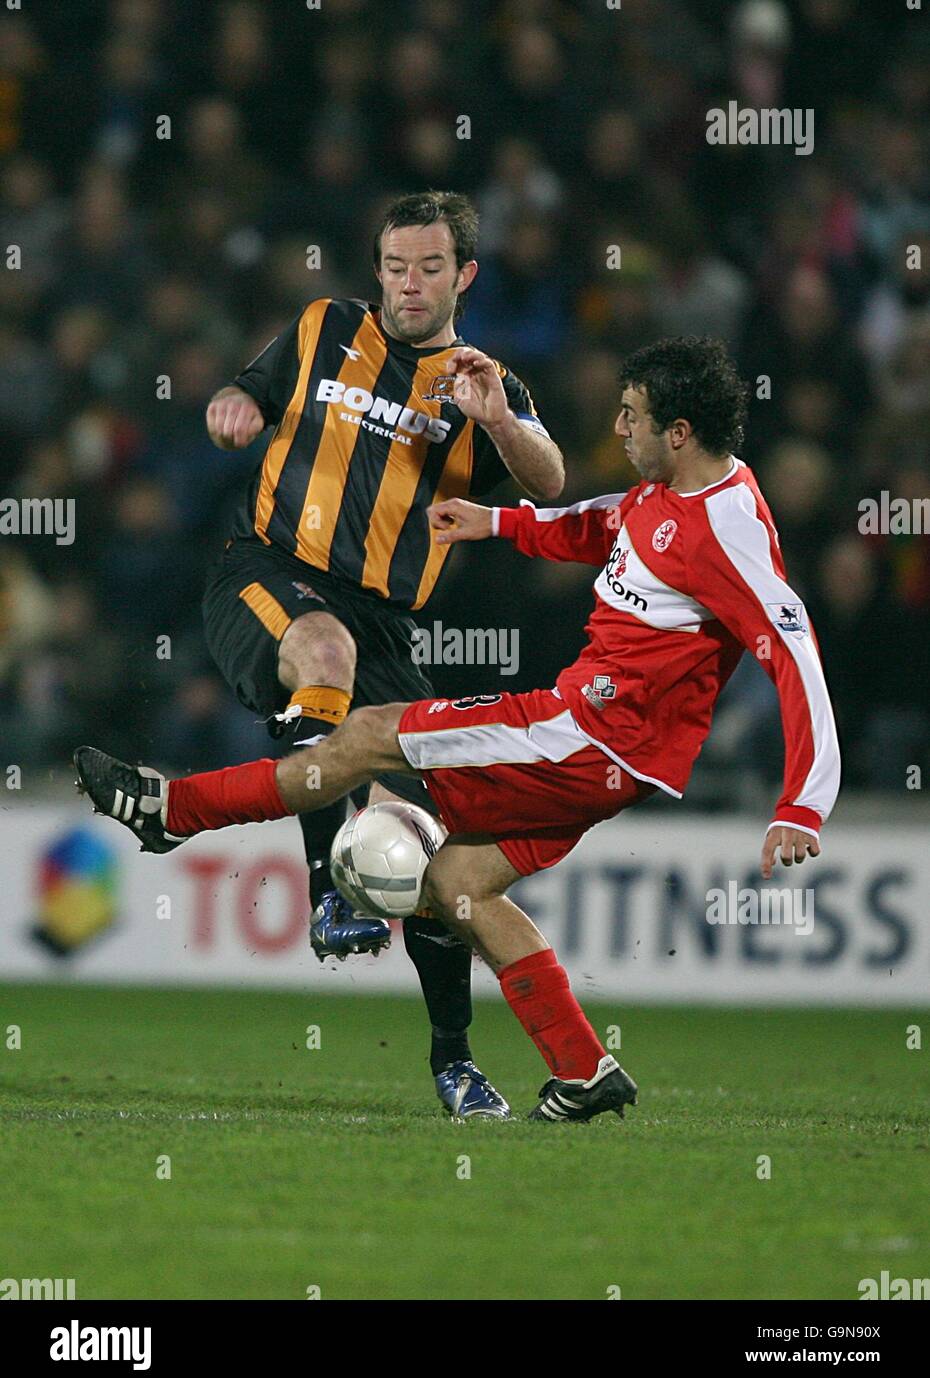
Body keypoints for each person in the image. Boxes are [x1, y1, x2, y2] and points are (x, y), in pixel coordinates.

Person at [75, 336, 840, 1123]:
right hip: (610, 758)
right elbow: (600, 524)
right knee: (455, 887)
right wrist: (498, 522)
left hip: (583, 735)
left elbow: (795, 655)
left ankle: (170, 813)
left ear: (678, 432)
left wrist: (801, 805)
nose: (618, 428)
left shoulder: (728, 529)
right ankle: (584, 1069)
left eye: (632, 416)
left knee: (369, 734)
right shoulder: (670, 496)